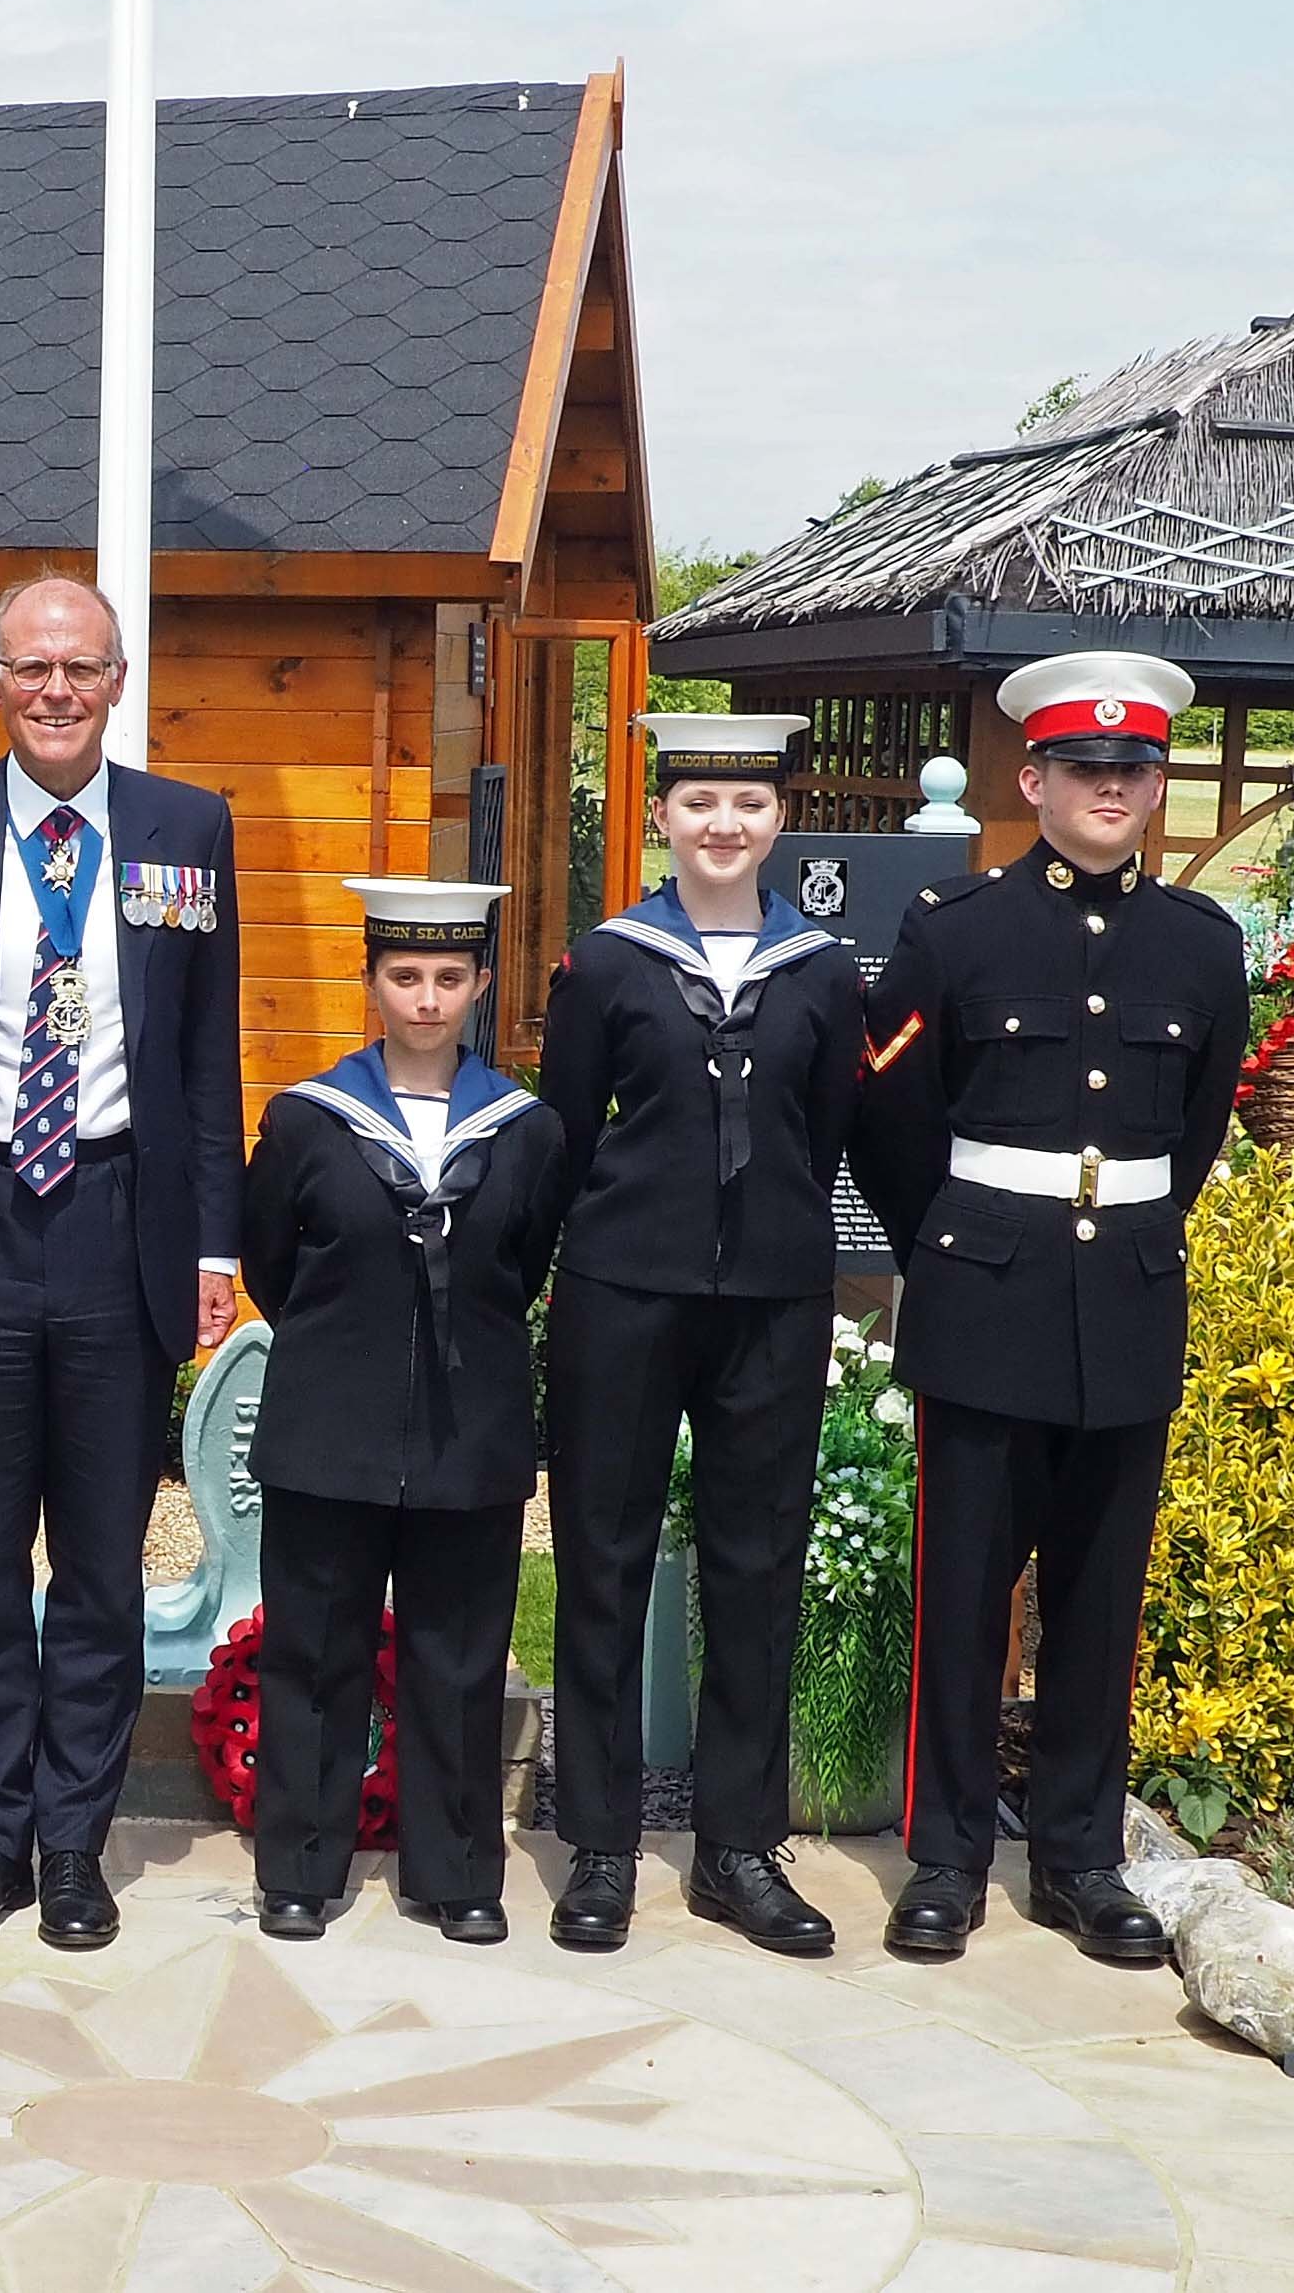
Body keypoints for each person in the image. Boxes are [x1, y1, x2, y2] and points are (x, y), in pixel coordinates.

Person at [0, 573, 245, 1954]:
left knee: (95, 1568)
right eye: (33, 668)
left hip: (117, 1226)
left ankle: (73, 1847)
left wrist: (211, 1242)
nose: (57, 691)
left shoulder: (185, 828)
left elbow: (206, 1058)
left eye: (82, 668)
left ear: (118, 681)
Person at [854, 651, 1244, 1969]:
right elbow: (889, 1125)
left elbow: (1186, 1144)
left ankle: (1078, 1856)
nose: (1112, 786)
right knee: (964, 1591)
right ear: (1032, 778)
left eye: (1134, 766)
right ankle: (947, 1857)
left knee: (1096, 1597)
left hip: (1125, 1298)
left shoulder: (1202, 945)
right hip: (986, 1293)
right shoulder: (954, 933)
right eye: (1085, 765)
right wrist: (957, 1250)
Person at [535, 715, 864, 1957]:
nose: (723, 822)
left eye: (747, 800)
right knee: (602, 1562)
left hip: (771, 1302)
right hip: (622, 1294)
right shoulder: (609, 962)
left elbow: (821, 1132)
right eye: (699, 801)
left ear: (778, 817)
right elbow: (563, 1134)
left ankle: (736, 1844)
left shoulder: (822, 970)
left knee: (755, 1565)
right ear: (661, 816)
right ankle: (602, 1845)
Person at [239, 881, 565, 1944]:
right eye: (404, 975)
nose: (425, 998)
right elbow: (273, 1269)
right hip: (327, 1426)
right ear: (372, 981)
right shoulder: (302, 1120)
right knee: (314, 1653)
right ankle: (297, 1864)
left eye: (447, 978)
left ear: (477, 984)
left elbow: (519, 1267)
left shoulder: (525, 1129)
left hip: (466, 1432)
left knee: (459, 1658)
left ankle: (457, 1869)